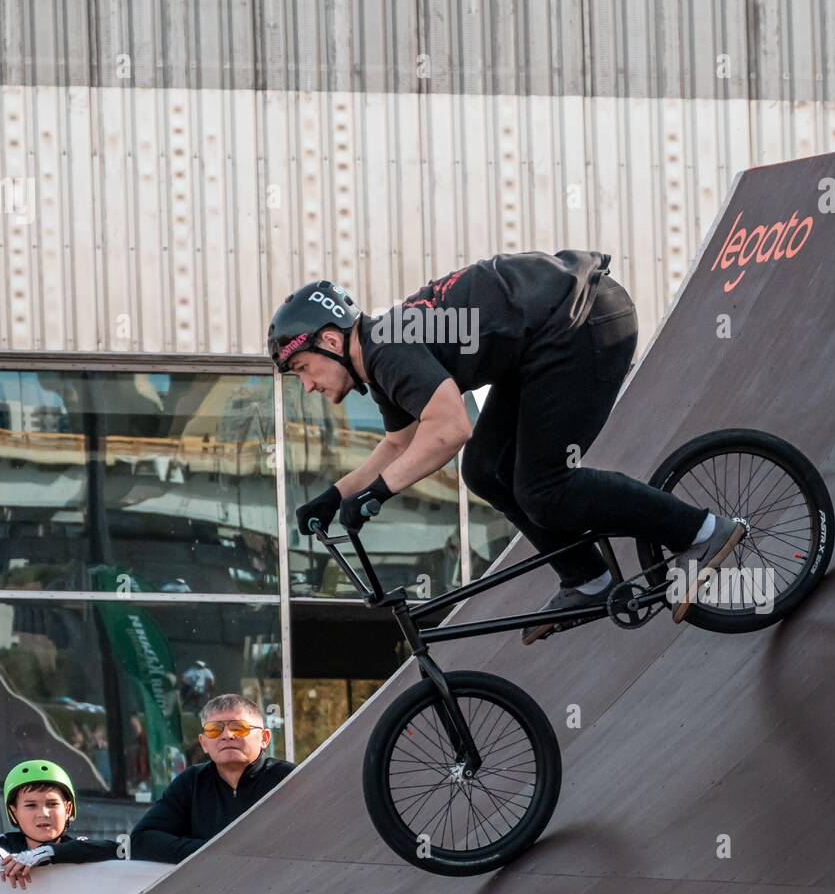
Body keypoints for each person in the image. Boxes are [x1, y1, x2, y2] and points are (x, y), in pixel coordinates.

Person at [267, 259, 745, 643]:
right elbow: (399, 443)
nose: (307, 385)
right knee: (484, 471)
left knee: (544, 488)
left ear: (331, 340)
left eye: (304, 369)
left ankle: (701, 532)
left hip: (585, 321)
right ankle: (587, 581)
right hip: (540, 345)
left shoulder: (390, 349)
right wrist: (335, 496)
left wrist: (377, 495)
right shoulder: (379, 354)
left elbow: (450, 429)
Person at [129, 695, 294, 864]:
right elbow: (141, 840)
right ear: (204, 743)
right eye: (214, 729)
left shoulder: (289, 779)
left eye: (238, 727)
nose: (227, 735)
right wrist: (218, 852)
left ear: (264, 738)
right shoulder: (192, 782)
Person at [0, 759, 118, 890]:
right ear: (14, 812)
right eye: (31, 805)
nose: (43, 813)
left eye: (52, 804)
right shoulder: (4, 843)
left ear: (68, 809)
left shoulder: (79, 848)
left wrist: (45, 853)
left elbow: (118, 850)